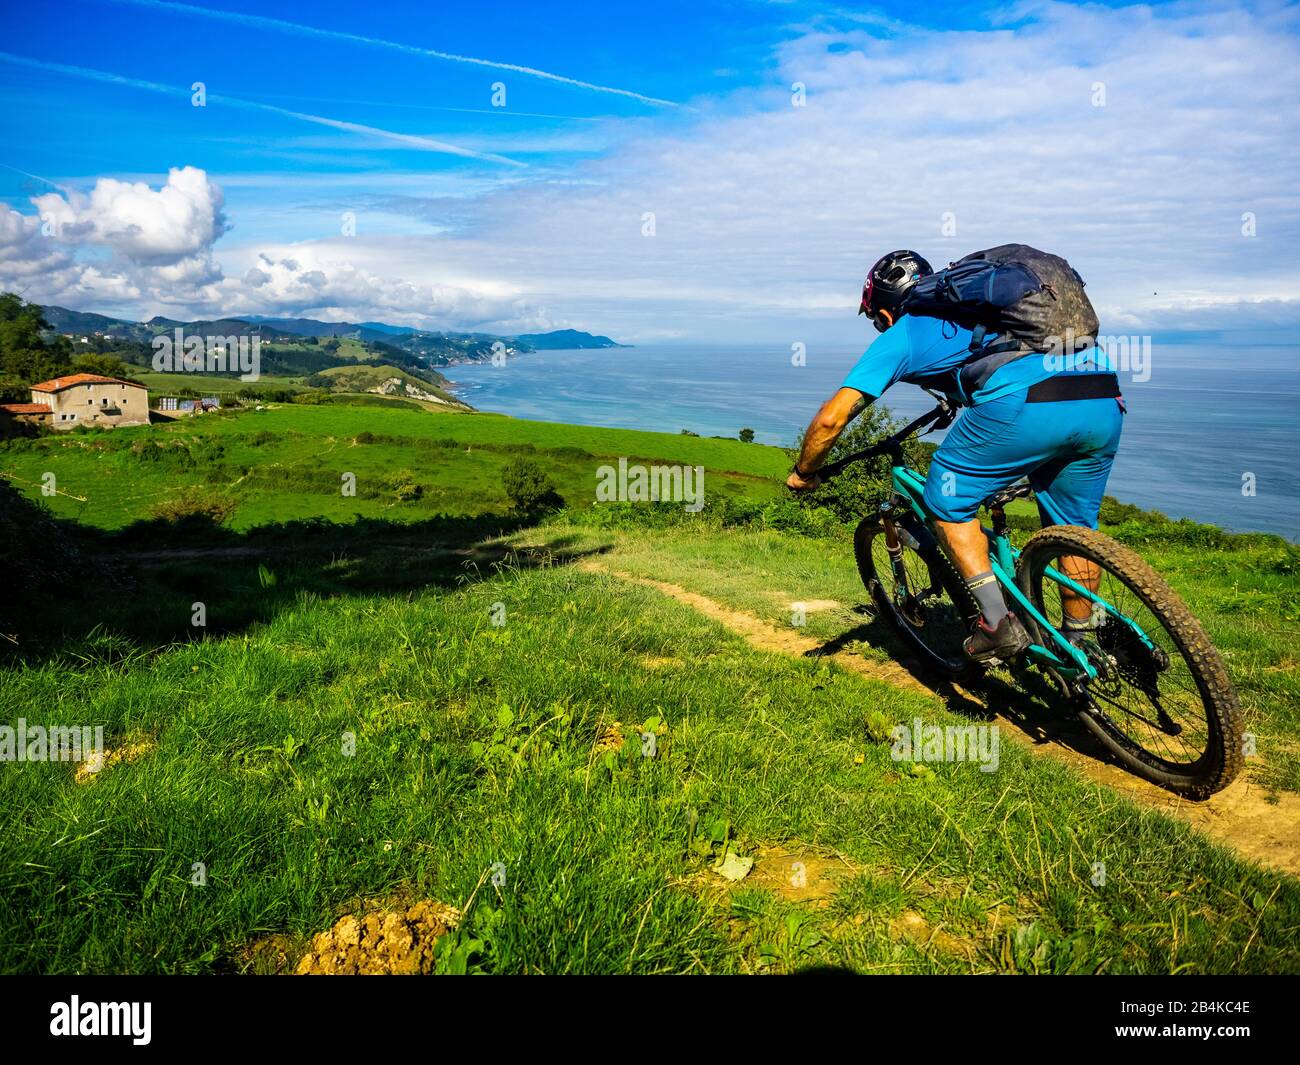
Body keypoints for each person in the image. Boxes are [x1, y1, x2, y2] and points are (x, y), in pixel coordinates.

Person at [787, 249, 1125, 662]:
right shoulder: (987, 315)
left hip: (1024, 402)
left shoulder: (905, 331)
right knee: (1074, 530)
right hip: (1102, 395)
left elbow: (830, 420)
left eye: (877, 320)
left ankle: (998, 626)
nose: (881, 328)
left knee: (945, 499)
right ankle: (1081, 646)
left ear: (887, 311)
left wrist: (805, 472)